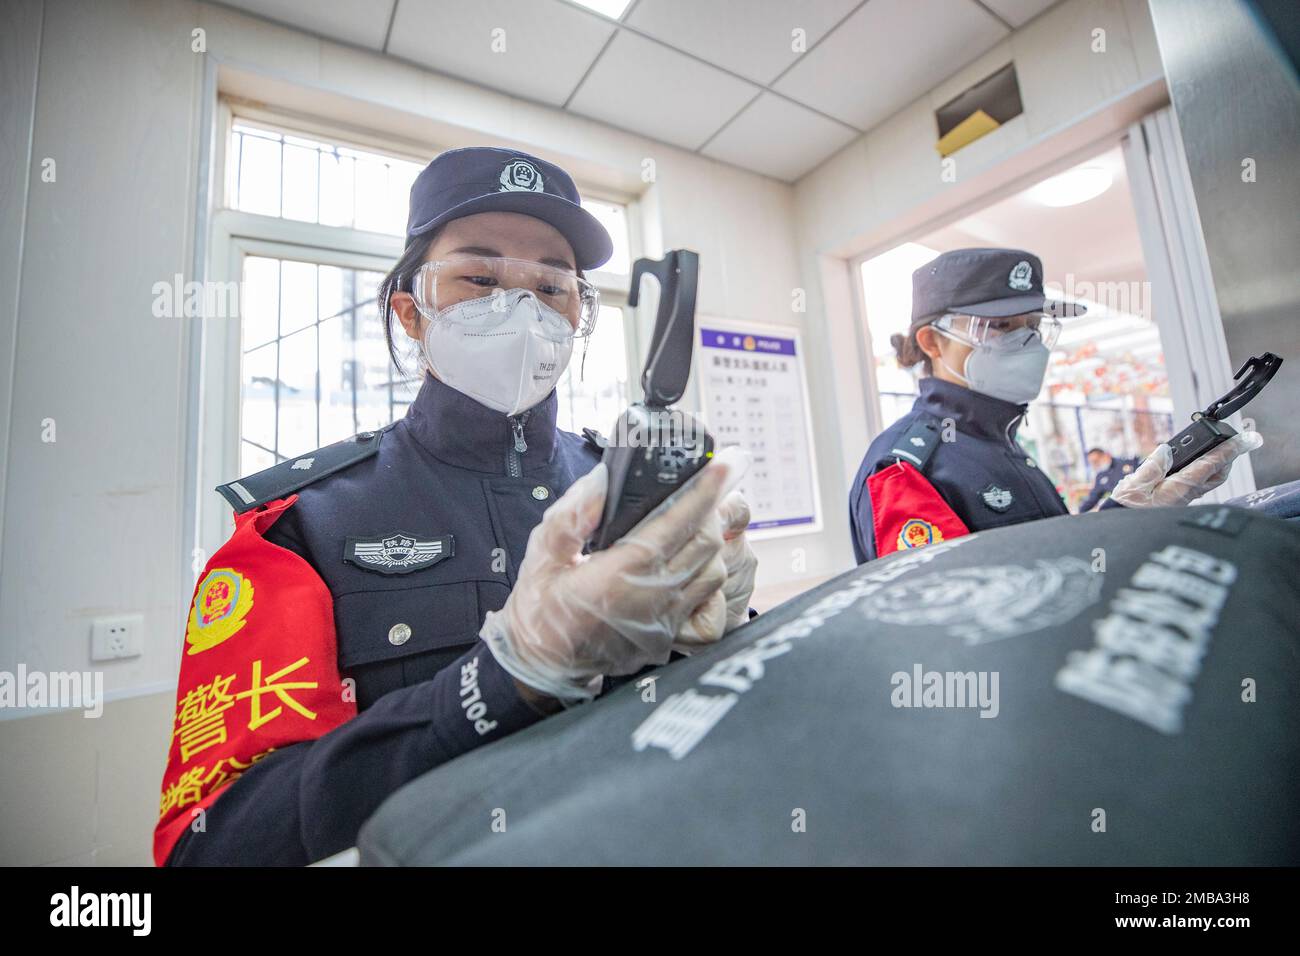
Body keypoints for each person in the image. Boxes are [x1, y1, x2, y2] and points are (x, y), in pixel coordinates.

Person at [156, 146, 759, 866]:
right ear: (412, 314)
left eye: (552, 285)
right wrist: (505, 678)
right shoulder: (302, 527)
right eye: (479, 276)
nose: (523, 310)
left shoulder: (617, 485)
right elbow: (211, 844)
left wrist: (732, 625)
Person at [849, 247, 1261, 563]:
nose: (1026, 342)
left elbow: (1051, 567)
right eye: (1000, 326)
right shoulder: (907, 470)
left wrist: (1122, 516)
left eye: (1033, 326)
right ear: (931, 342)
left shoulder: (1000, 444)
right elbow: (946, 623)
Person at [1078, 446, 1140, 513]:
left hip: (1139, 503)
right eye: (1092, 463)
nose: (1095, 465)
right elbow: (1092, 499)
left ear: (1106, 455)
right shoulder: (1100, 476)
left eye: (1096, 461)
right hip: (1121, 509)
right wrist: (1079, 512)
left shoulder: (1128, 464)